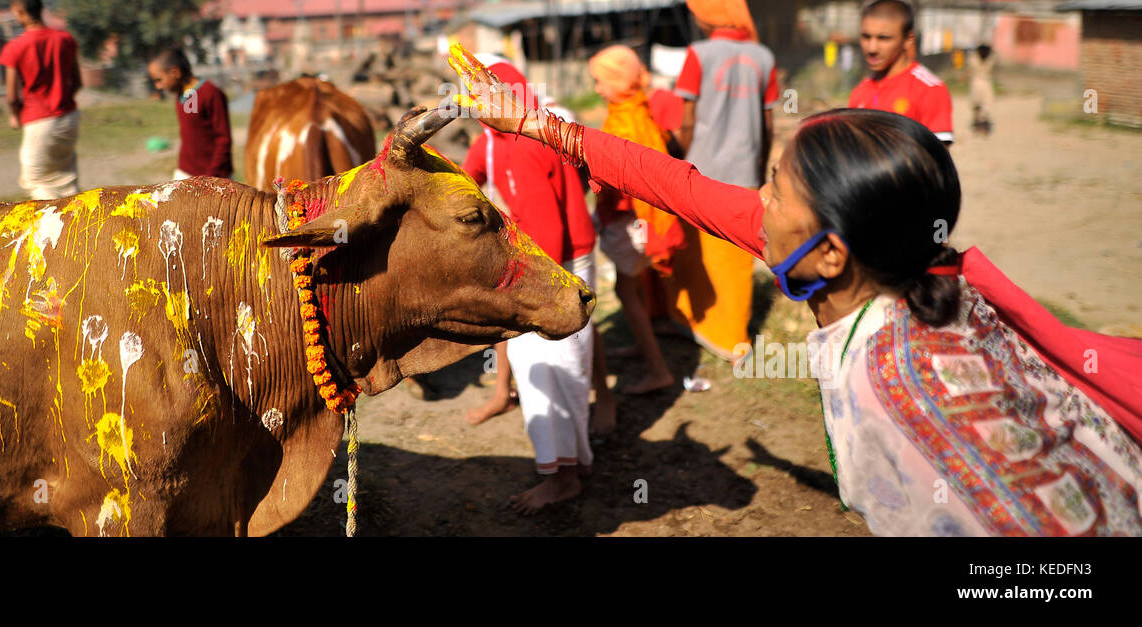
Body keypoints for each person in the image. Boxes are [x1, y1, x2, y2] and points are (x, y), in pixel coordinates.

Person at [450, 44, 1142, 536]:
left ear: (831, 251)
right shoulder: (880, 266)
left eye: (775, 190)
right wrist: (535, 124)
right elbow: (679, 186)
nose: (757, 198)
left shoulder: (907, 386)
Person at [461, 57, 609, 511]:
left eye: (480, 97)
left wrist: (523, 284)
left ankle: (561, 477)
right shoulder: (523, 132)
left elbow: (547, 234)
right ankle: (576, 461)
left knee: (542, 366)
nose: (473, 106)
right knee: (566, 363)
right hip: (570, 258)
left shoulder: (520, 149)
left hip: (554, 267)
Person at [669, 0, 778, 359]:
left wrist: (674, 159)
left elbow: (687, 121)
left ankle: (696, 324)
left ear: (706, 14)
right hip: (744, 172)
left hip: (700, 172)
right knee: (736, 257)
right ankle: (733, 338)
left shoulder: (698, 54)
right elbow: (768, 124)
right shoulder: (763, 57)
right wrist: (761, 169)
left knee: (697, 253)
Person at [589, 46, 685, 394]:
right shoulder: (638, 109)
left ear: (617, 81)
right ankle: (643, 344)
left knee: (624, 290)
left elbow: (623, 180)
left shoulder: (624, 123)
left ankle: (658, 369)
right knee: (635, 285)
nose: (597, 89)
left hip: (631, 220)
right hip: (642, 221)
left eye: (601, 81)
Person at [0, 0, 82, 199]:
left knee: (38, 182)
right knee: (67, 182)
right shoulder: (65, 39)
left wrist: (15, 116)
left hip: (40, 121)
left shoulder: (15, 48)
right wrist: (60, 99)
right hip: (69, 118)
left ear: (19, 11)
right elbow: (77, 82)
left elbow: (12, 97)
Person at [850, 0, 954, 145]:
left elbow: (938, 155)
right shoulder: (860, 92)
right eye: (866, 37)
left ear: (908, 39)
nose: (872, 48)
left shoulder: (929, 90)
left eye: (883, 38)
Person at [147, 47, 233, 179]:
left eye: (159, 80)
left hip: (214, 177)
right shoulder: (181, 94)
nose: (158, 86)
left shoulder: (211, 93)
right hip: (186, 172)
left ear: (175, 72)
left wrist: (211, 176)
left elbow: (223, 139)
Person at [969, 44, 996, 135]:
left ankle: (980, 126)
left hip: (977, 84)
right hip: (984, 83)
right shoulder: (989, 59)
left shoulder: (973, 58)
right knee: (983, 106)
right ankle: (982, 126)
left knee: (979, 107)